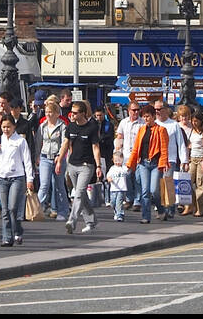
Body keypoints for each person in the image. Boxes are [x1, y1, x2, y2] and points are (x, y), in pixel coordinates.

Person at [60, 99, 102, 234]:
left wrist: (98, 166)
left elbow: (95, 147)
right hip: (72, 164)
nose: (72, 115)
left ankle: (71, 222)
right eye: (71, 112)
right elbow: (65, 144)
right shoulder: (71, 126)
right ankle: (91, 221)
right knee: (81, 195)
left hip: (86, 165)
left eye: (75, 113)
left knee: (78, 194)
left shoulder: (92, 127)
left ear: (83, 113)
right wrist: (60, 160)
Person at [0, 115, 34, 247]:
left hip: (17, 177)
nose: (6, 129)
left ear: (14, 127)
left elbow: (27, 161)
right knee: (5, 210)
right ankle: (7, 237)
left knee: (12, 208)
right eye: (3, 127)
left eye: (8, 127)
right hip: (2, 178)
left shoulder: (20, 141)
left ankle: (18, 230)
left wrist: (30, 179)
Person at [127, 104, 169, 224]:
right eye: (144, 117)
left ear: (153, 116)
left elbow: (164, 149)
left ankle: (161, 210)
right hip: (143, 163)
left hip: (156, 164)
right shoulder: (141, 130)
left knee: (154, 190)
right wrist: (131, 163)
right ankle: (146, 216)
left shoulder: (161, 130)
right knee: (145, 191)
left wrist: (163, 163)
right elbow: (136, 149)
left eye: (148, 116)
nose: (146, 119)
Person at [33, 96, 70, 221]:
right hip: (44, 157)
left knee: (59, 185)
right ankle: (36, 210)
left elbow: (64, 142)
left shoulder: (62, 125)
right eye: (47, 112)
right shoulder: (43, 126)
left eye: (51, 112)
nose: (48, 114)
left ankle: (63, 211)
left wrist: (60, 157)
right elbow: (38, 141)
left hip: (57, 158)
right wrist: (37, 156)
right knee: (44, 184)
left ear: (57, 113)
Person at [154, 101, 186, 221]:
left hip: (170, 159)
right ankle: (161, 208)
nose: (157, 111)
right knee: (156, 188)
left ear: (166, 110)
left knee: (167, 184)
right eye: (155, 109)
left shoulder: (174, 125)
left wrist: (184, 160)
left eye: (159, 109)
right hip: (156, 160)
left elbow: (181, 143)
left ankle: (169, 209)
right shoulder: (154, 124)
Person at [184, 112, 203, 216]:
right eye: (193, 121)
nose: (194, 123)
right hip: (192, 158)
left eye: (196, 120)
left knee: (200, 184)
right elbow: (188, 144)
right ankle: (191, 205)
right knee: (188, 181)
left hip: (201, 158)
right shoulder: (191, 131)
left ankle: (200, 208)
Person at [106, 150, 130, 222]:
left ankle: (120, 214)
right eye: (115, 160)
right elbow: (108, 175)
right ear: (113, 160)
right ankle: (116, 211)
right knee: (113, 203)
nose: (117, 162)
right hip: (113, 189)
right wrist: (109, 178)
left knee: (119, 202)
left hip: (121, 189)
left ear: (122, 160)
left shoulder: (123, 168)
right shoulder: (112, 168)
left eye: (119, 160)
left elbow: (128, 170)